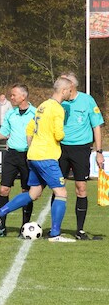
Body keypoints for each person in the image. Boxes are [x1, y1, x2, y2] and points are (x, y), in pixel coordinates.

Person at [0, 77, 75, 242]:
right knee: (61, 193)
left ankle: (0, 212)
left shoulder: (42, 106)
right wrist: (64, 135)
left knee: (33, 193)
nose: (70, 94)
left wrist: (32, 147)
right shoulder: (57, 108)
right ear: (63, 90)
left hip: (33, 156)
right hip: (46, 157)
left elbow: (29, 128)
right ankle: (55, 234)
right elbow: (59, 135)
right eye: (69, 91)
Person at [0, 84, 35, 235]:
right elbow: (3, 134)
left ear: (23, 96)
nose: (11, 98)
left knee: (26, 192)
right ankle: (1, 226)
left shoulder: (36, 113)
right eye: (11, 95)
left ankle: (25, 228)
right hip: (11, 155)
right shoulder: (10, 114)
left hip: (28, 156)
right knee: (4, 189)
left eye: (14, 95)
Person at [57, 71, 105, 240]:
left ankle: (80, 230)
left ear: (72, 85)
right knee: (58, 187)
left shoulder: (87, 100)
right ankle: (55, 228)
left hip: (81, 149)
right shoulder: (58, 101)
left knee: (81, 188)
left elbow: (96, 126)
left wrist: (99, 152)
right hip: (61, 148)